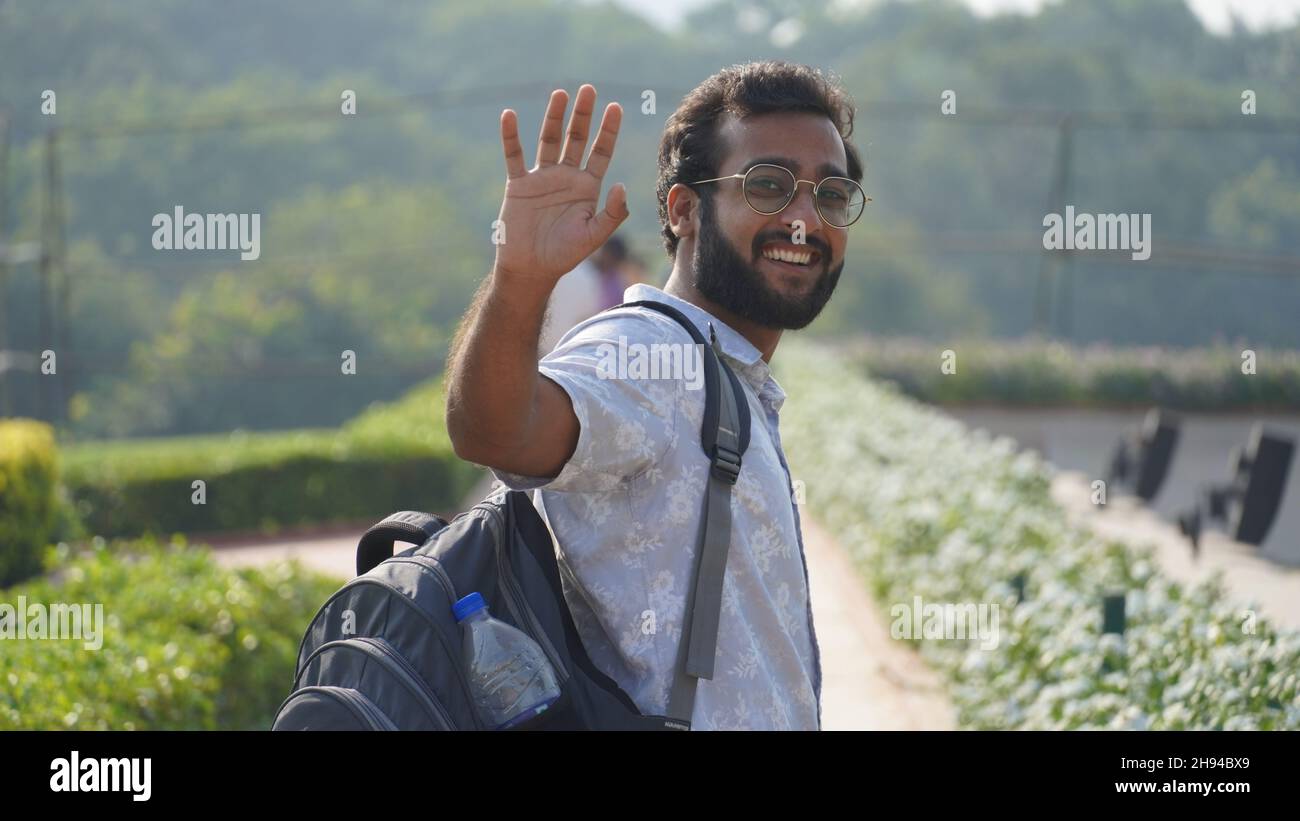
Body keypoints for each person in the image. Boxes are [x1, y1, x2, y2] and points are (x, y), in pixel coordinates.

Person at [445, 61, 867, 730]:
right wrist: (518, 278)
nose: (802, 220)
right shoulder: (653, 354)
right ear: (684, 209)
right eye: (768, 186)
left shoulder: (730, 376)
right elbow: (495, 432)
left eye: (830, 195)